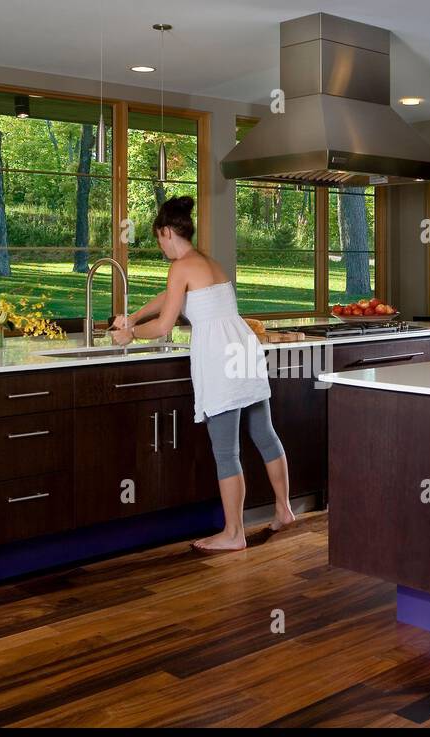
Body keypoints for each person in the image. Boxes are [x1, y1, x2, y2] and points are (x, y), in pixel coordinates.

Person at [111, 196, 295, 552]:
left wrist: (131, 334)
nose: (161, 246)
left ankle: (233, 533)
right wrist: (133, 317)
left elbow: (165, 324)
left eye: (159, 239)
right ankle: (284, 509)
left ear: (166, 232)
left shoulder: (180, 266)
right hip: (244, 349)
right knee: (265, 434)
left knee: (226, 451)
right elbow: (169, 298)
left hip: (220, 360)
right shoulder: (208, 262)